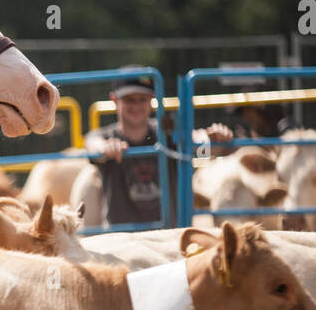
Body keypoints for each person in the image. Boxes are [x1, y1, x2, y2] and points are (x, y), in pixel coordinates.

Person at [84, 73, 232, 226]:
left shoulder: (169, 134)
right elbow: (92, 144)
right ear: (114, 100)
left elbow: (202, 149)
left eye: (142, 99)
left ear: (152, 99)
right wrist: (105, 148)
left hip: (166, 239)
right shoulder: (105, 136)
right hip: (122, 240)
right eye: (129, 100)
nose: (136, 106)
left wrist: (217, 141)